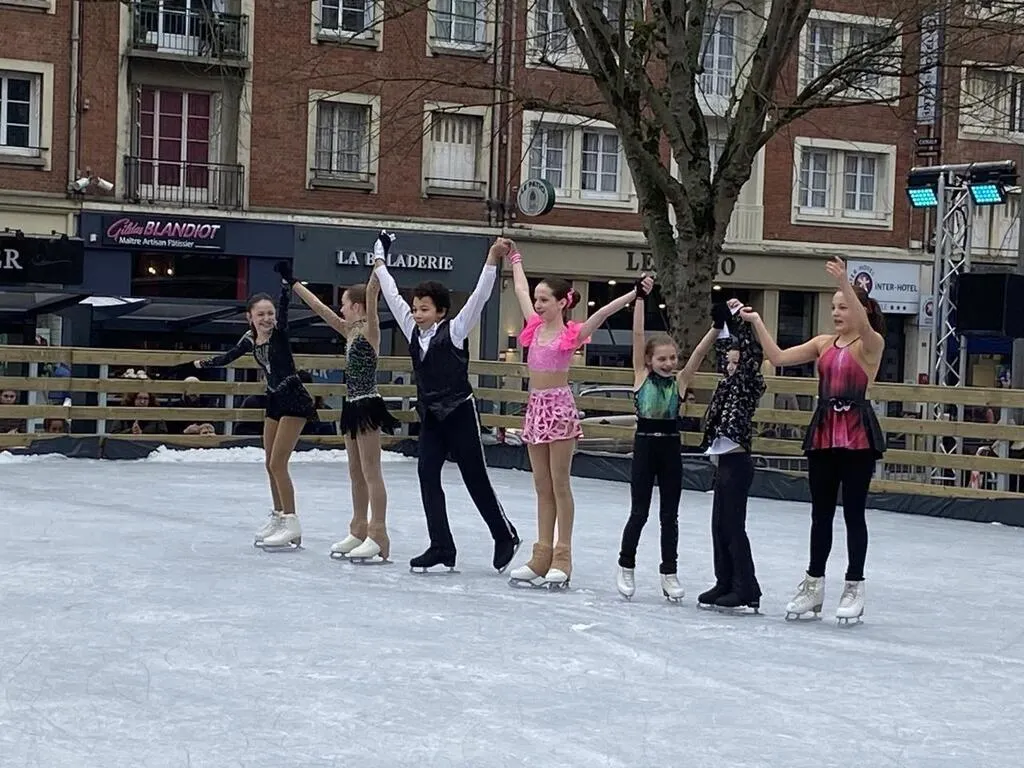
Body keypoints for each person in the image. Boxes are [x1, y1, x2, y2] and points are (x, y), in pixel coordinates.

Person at [742, 256, 886, 624]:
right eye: (833, 307)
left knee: (853, 512)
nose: (837, 313)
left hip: (857, 435)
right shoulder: (823, 343)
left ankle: (854, 584)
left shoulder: (871, 344)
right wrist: (757, 320)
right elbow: (777, 357)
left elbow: (865, 325)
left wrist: (845, 282)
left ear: (860, 309)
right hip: (823, 432)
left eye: (843, 306)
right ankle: (814, 584)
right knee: (819, 514)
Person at [371, 231, 520, 573]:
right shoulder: (410, 329)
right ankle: (442, 546)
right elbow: (391, 294)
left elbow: (480, 298)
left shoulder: (454, 330)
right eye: (415, 308)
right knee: (426, 474)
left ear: (440, 311)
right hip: (432, 417)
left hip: (460, 413)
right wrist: (380, 259)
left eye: (424, 309)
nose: (417, 313)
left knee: (474, 477)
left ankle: (504, 534)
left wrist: (492, 259)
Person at [506, 247, 650, 589]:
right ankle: (541, 553)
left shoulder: (571, 333)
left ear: (561, 303)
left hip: (559, 408)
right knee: (541, 485)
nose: (538, 304)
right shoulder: (532, 328)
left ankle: (563, 554)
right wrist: (515, 260)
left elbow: (603, 312)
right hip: (536, 408)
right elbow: (520, 290)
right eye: (538, 299)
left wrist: (635, 292)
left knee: (559, 484)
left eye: (545, 300)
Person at [194, 274, 318, 550]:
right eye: (260, 314)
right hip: (274, 399)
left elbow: (284, 313)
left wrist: (286, 289)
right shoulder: (250, 339)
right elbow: (229, 356)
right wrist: (205, 363)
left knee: (278, 464)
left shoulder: (279, 333)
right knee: (268, 462)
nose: (266, 318)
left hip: (294, 399)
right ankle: (278, 517)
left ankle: (292, 522)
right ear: (249, 317)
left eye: (269, 313)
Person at [615, 278, 720, 602]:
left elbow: (700, 352)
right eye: (662, 359)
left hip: (671, 448)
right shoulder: (641, 376)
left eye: (673, 358)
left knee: (669, 515)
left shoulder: (681, 381)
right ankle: (626, 564)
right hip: (645, 445)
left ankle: (669, 572)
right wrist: (641, 298)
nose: (669, 363)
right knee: (640, 512)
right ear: (649, 361)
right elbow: (636, 336)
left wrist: (717, 327)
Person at [290, 267, 400, 564]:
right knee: (355, 471)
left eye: (345, 303)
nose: (340, 307)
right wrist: (295, 283)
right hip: (351, 405)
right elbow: (322, 310)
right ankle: (358, 527)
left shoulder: (370, 330)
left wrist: (378, 268)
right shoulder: (349, 330)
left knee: (371, 471)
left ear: (357, 306)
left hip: (367, 404)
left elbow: (374, 297)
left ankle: (379, 534)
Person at [694, 299, 767, 614]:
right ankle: (724, 580)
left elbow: (750, 354)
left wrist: (743, 323)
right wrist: (723, 321)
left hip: (738, 462)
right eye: (729, 363)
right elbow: (726, 346)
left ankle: (745, 586)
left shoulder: (748, 383)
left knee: (733, 525)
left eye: (737, 363)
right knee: (719, 525)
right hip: (722, 461)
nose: (732, 366)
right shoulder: (726, 384)